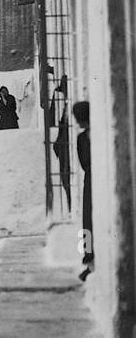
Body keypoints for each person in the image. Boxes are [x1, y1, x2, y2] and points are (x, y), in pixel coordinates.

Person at [75, 101, 93, 280]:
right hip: (90, 179)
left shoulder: (83, 138)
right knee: (87, 220)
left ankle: (91, 261)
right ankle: (88, 260)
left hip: (93, 179)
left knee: (89, 219)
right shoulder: (82, 138)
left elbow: (83, 162)